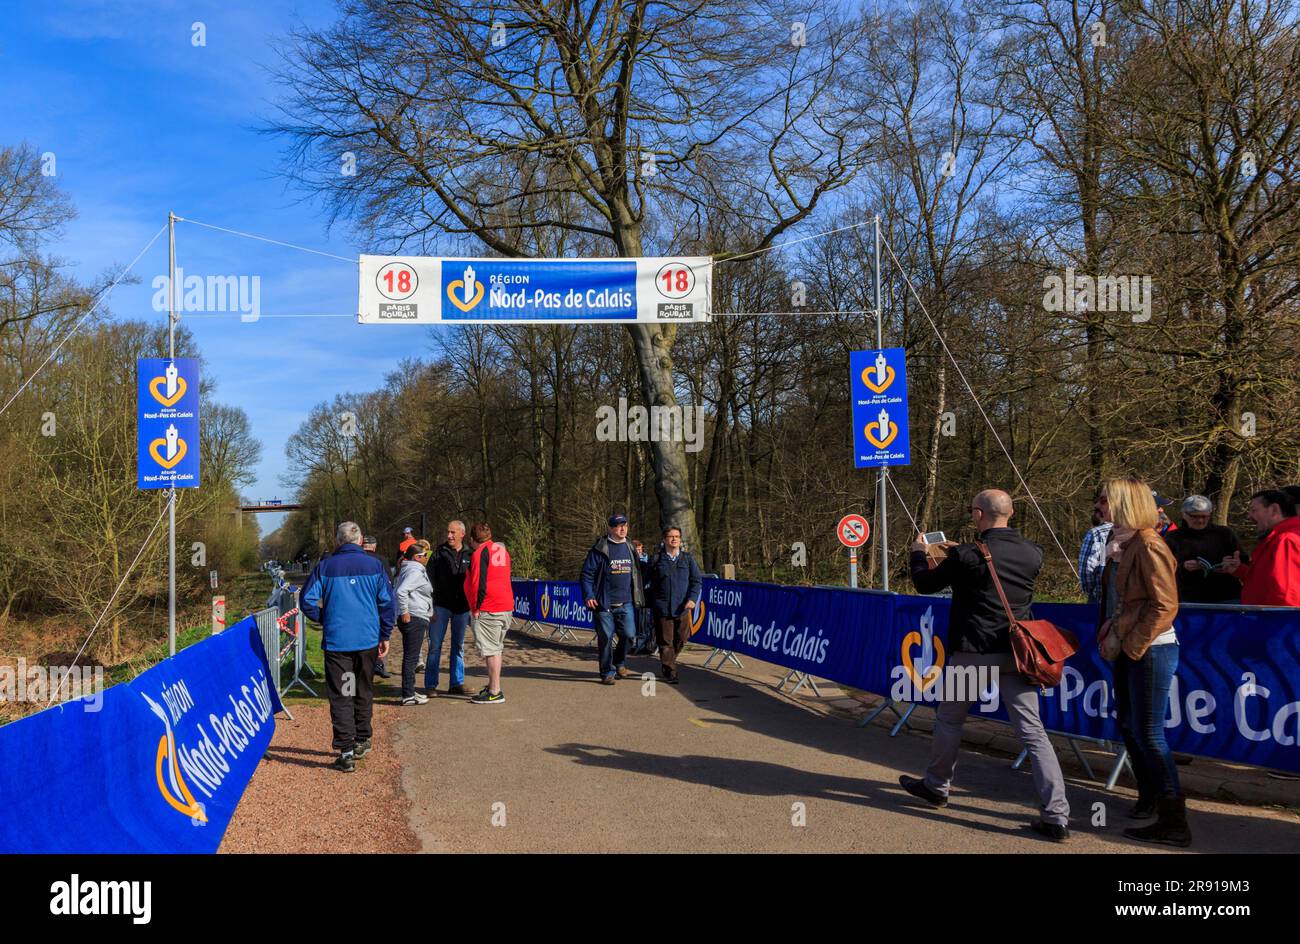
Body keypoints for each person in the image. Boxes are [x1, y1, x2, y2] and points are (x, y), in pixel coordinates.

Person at [899, 489, 1071, 841]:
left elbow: (925, 584)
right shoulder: (1033, 552)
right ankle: (1056, 815)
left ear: (978, 514)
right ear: (1010, 514)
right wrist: (960, 555)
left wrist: (919, 554)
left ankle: (936, 786)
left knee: (949, 719)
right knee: (1033, 732)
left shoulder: (968, 554)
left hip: (974, 652)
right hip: (1019, 654)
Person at [1095, 477, 1188, 846]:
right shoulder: (1124, 543)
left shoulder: (1149, 543)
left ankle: (1174, 820)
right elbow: (1126, 600)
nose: (1101, 507)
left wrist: (1133, 645)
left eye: (1108, 501)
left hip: (1151, 648)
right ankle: (1150, 797)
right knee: (1131, 726)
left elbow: (1165, 605)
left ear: (1125, 504)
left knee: (1149, 732)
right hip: (1133, 646)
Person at [300, 521, 395, 773]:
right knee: (362, 688)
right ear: (361, 540)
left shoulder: (325, 566)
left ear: (338, 541)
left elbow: (306, 600)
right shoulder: (374, 565)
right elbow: (387, 602)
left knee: (343, 693)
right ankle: (362, 738)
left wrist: (325, 617)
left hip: (338, 642)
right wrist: (385, 633)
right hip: (367, 640)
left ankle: (346, 750)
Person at [581, 513, 646, 685]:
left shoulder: (631, 547)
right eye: (618, 525)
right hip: (604, 603)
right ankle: (607, 672)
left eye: (624, 524)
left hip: (626, 602)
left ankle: (619, 662)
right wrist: (589, 595)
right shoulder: (600, 548)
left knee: (630, 636)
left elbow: (638, 572)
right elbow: (587, 574)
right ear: (610, 528)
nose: (622, 528)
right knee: (606, 638)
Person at [643, 526, 703, 685]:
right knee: (665, 641)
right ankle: (670, 671)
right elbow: (644, 581)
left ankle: (668, 661)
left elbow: (696, 581)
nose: (674, 539)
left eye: (677, 536)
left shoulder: (688, 559)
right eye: (671, 536)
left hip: (682, 607)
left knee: (682, 638)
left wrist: (692, 599)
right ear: (664, 540)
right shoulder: (656, 560)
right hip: (662, 607)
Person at [1221, 489, 1300, 606]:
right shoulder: (1276, 539)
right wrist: (1239, 570)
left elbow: (1286, 593)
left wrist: (1272, 621)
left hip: (1277, 620)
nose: (1249, 516)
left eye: (1254, 510)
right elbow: (1267, 581)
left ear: (1274, 509)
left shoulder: (1286, 540)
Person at [463, 522, 512, 704]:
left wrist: (476, 608)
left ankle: (495, 691)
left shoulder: (479, 554)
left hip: (489, 608)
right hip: (505, 605)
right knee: (496, 649)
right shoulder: (501, 550)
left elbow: (478, 583)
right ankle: (493, 686)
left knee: (491, 651)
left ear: (472, 539)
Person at [423, 520, 473, 696]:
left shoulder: (471, 554)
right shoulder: (438, 553)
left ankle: (456, 683)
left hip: (462, 607)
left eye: (453, 532)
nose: (449, 535)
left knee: (458, 646)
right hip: (441, 606)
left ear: (462, 534)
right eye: (448, 532)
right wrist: (430, 607)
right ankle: (430, 685)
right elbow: (428, 580)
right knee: (435, 646)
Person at [1162, 496, 1243, 603]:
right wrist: (1183, 567)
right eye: (1194, 517)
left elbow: (1243, 560)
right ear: (1184, 515)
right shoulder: (1172, 538)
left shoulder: (1224, 534)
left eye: (1204, 516)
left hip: (1226, 595)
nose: (1200, 520)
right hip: (1190, 597)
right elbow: (1163, 568)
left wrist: (1233, 564)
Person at [394, 540, 435, 706]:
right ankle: (408, 694)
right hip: (414, 617)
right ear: (416, 557)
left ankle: (409, 691)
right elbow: (401, 591)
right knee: (411, 658)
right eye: (424, 555)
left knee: (410, 657)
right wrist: (404, 611)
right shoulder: (415, 571)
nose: (427, 557)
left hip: (416, 615)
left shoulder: (410, 569)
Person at [364, 534, 393, 679]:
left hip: (364, 602)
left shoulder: (358, 559)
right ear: (374, 546)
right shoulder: (381, 560)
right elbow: (389, 584)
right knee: (380, 634)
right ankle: (379, 663)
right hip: (377, 602)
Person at [1078, 491, 1112, 604]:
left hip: (1099, 601)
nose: (1096, 505)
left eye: (1103, 501)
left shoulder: (1096, 534)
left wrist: (1090, 591)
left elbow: (1087, 571)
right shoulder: (1137, 532)